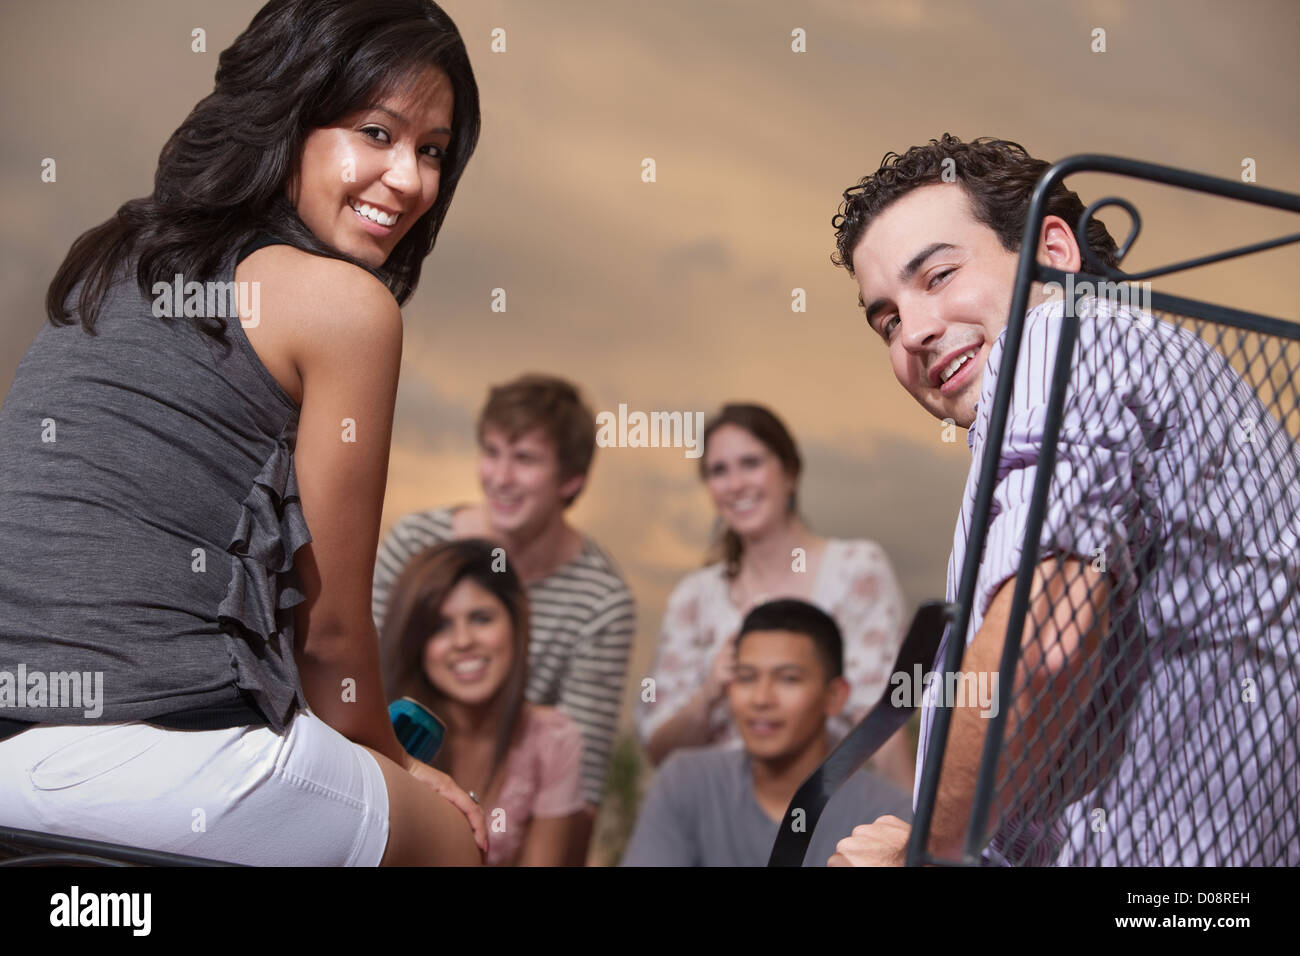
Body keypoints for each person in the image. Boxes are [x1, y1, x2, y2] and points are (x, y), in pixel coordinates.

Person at [0, 0, 488, 866]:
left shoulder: (109, 260)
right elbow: (333, 640)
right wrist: (399, 767)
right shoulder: (348, 309)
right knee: (454, 843)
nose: (410, 179)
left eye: (432, 151)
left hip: (11, 752)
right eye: (376, 132)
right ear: (291, 114)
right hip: (160, 766)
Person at [825, 134, 1300, 866]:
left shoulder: (1063, 341)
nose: (913, 330)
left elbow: (1040, 648)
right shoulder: (1147, 362)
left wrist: (932, 850)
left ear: (1054, 252)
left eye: (941, 274)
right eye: (887, 320)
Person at [371, 372, 636, 860]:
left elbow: (582, 786)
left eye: (525, 459)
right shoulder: (414, 542)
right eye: (491, 452)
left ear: (571, 479)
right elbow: (362, 676)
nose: (501, 477)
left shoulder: (601, 601)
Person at [638, 403, 914, 791]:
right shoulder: (693, 598)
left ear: (790, 472)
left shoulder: (857, 569)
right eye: (719, 470)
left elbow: (879, 723)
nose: (735, 485)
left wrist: (914, 834)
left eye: (750, 463)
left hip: (824, 815)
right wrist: (711, 692)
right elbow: (659, 750)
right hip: (715, 814)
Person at [622, 599, 912, 866]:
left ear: (835, 695)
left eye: (788, 679)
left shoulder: (885, 814)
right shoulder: (685, 782)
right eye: (746, 677)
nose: (761, 699)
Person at [381, 539, 586, 866]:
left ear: (515, 626)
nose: (463, 641)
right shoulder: (388, 727)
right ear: (416, 643)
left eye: (481, 618)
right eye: (440, 627)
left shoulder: (554, 738)